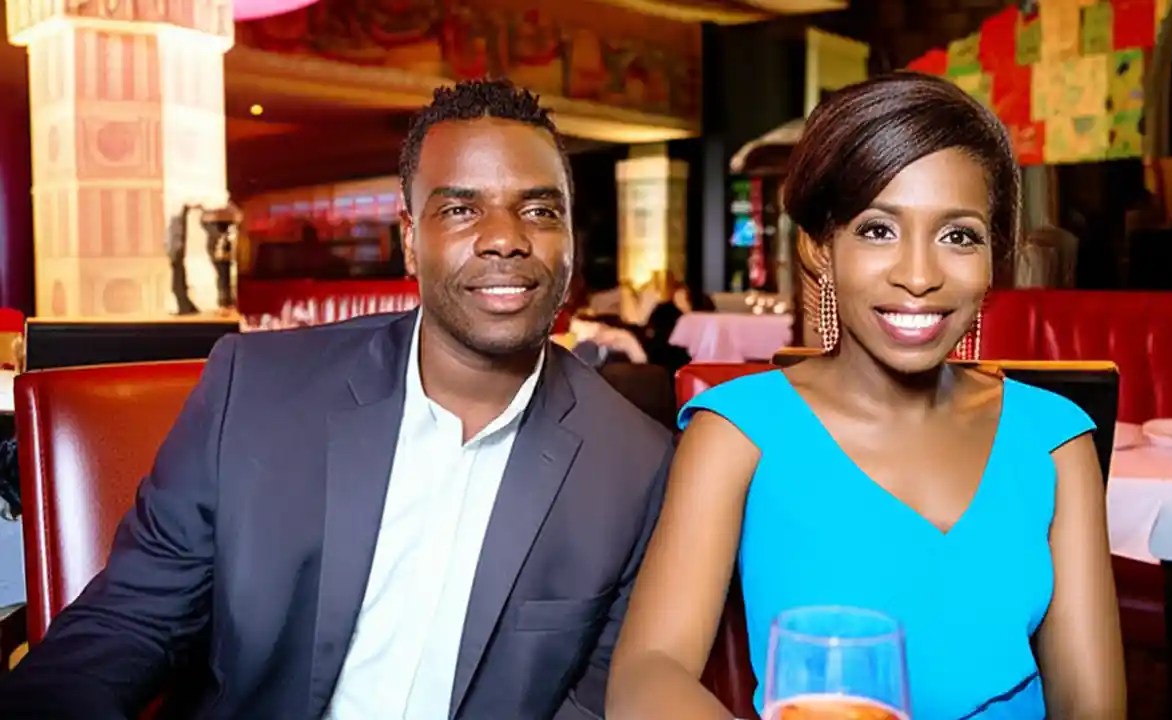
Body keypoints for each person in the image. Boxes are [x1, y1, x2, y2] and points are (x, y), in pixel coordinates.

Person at [0, 78, 672, 719]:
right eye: (462, 209)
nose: (505, 237)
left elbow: (597, 704)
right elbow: (128, 624)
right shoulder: (256, 391)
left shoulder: (639, 468)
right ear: (410, 241)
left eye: (539, 209)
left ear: (570, 241)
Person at [607, 72, 1125, 720]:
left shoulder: (1054, 438)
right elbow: (647, 673)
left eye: (958, 235)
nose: (918, 275)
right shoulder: (739, 433)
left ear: (996, 256)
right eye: (879, 229)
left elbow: (1093, 705)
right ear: (820, 246)